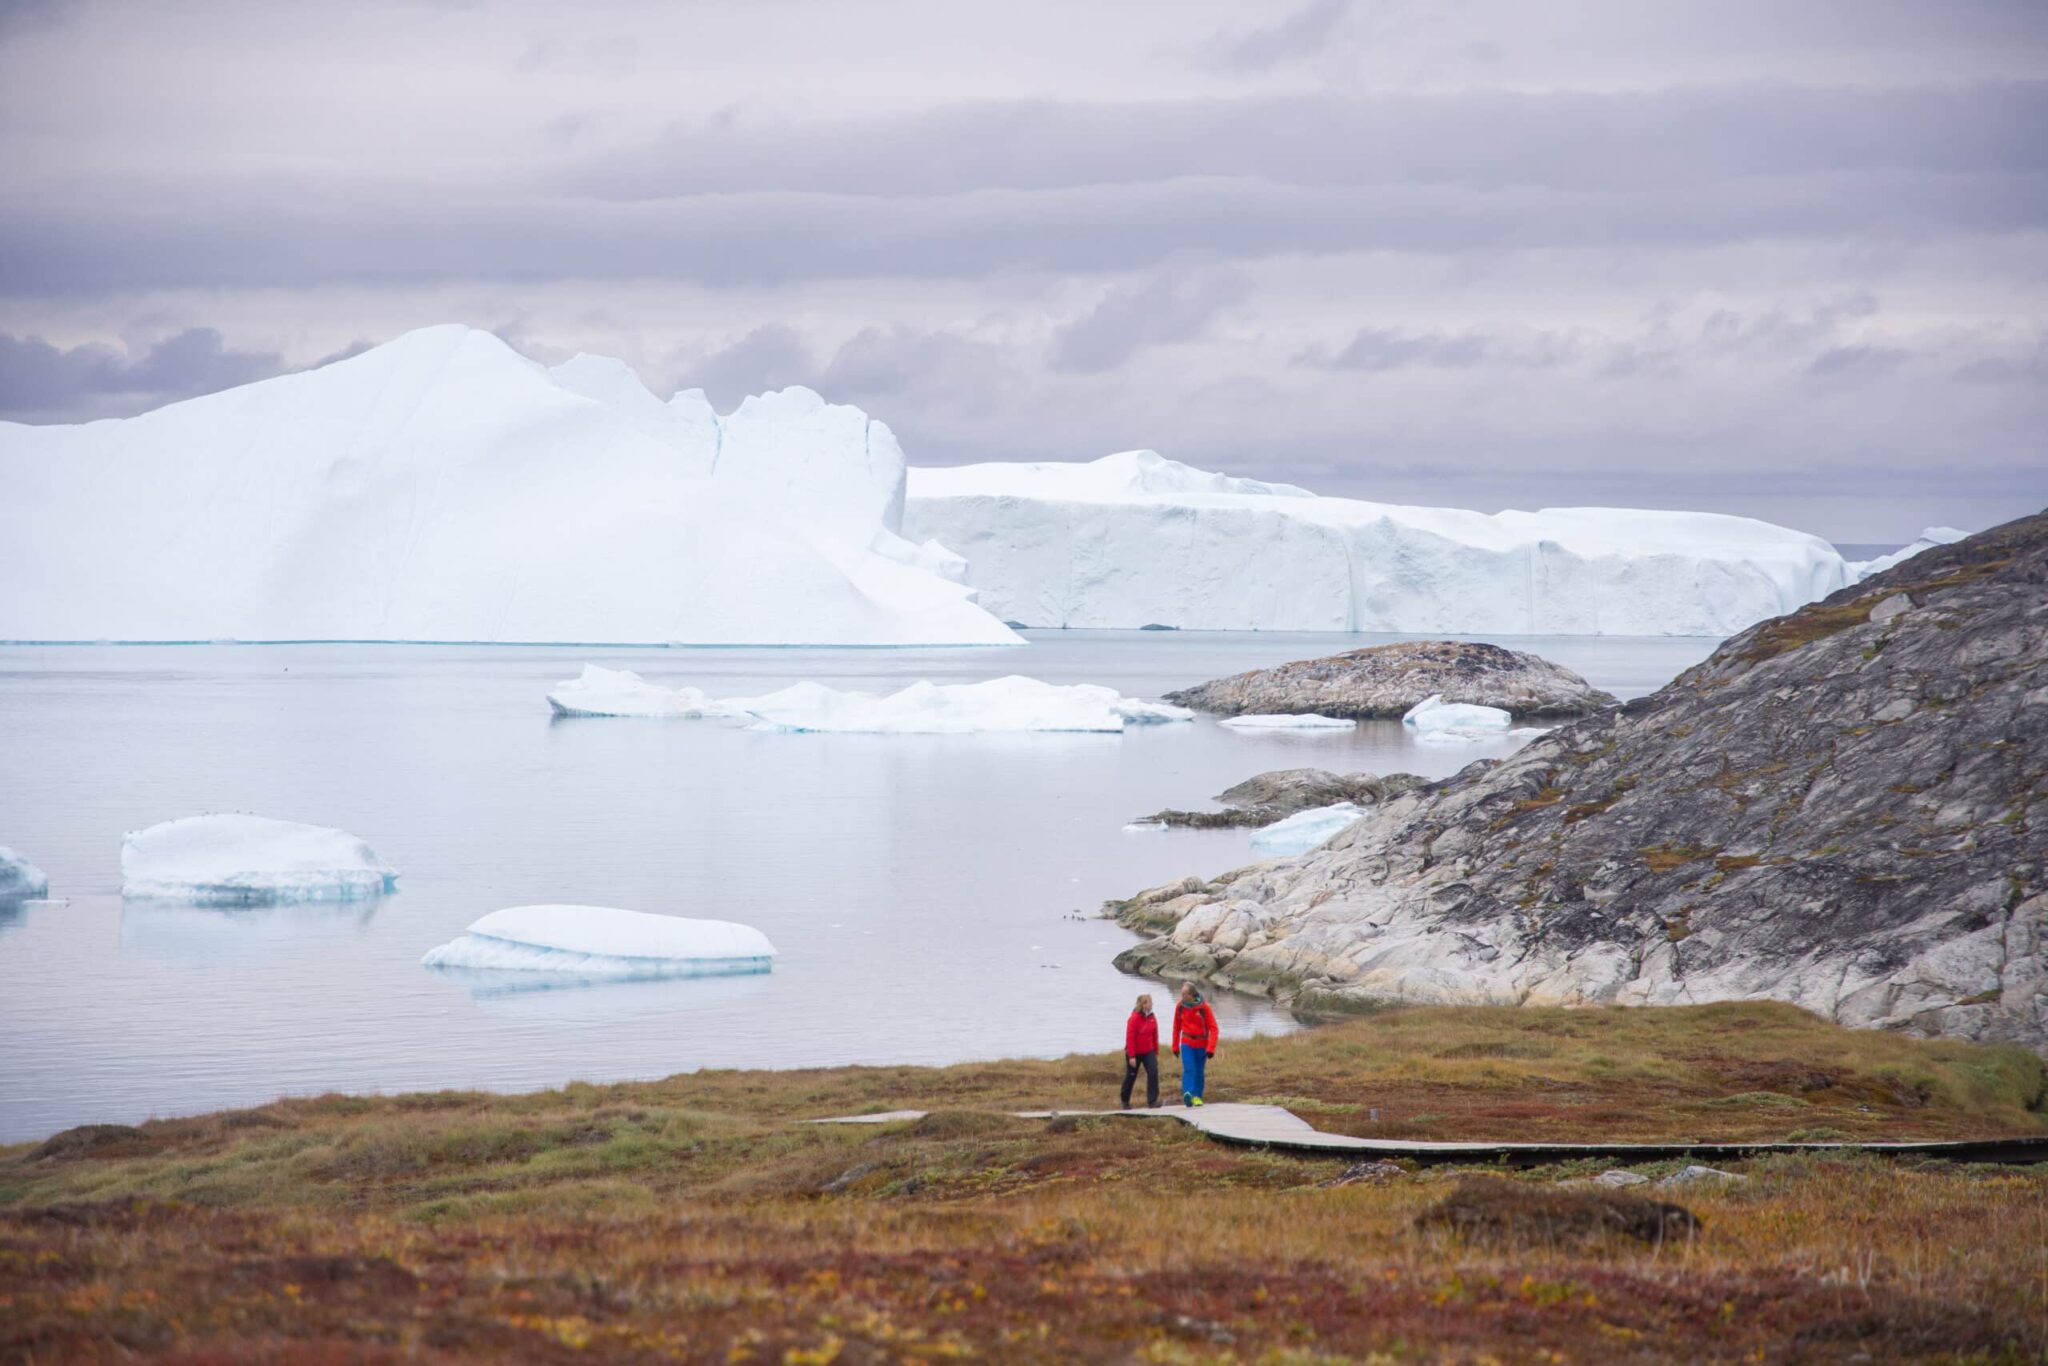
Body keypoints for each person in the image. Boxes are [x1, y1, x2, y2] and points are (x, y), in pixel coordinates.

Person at [1172, 982, 1218, 1107]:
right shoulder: (1180, 1007)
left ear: (1192, 995)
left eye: (1184, 994)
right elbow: (1176, 1027)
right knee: (1189, 1068)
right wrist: (1175, 1046)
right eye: (1181, 994)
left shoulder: (1204, 1008)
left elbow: (1214, 1029)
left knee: (1199, 1071)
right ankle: (1188, 1093)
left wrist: (1211, 1048)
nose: (1182, 996)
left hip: (1201, 1043)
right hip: (1186, 1042)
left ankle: (1197, 1097)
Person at [1120, 993, 1160, 1109]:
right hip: (1135, 1052)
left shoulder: (1152, 1017)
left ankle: (1152, 1101)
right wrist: (1131, 1056)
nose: (1152, 1004)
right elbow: (1130, 1038)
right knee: (1131, 1076)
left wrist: (1155, 1051)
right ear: (1144, 1004)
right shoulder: (1134, 1018)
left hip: (1148, 1051)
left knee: (1153, 1072)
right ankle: (1125, 1100)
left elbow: (1155, 1035)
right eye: (1150, 1002)